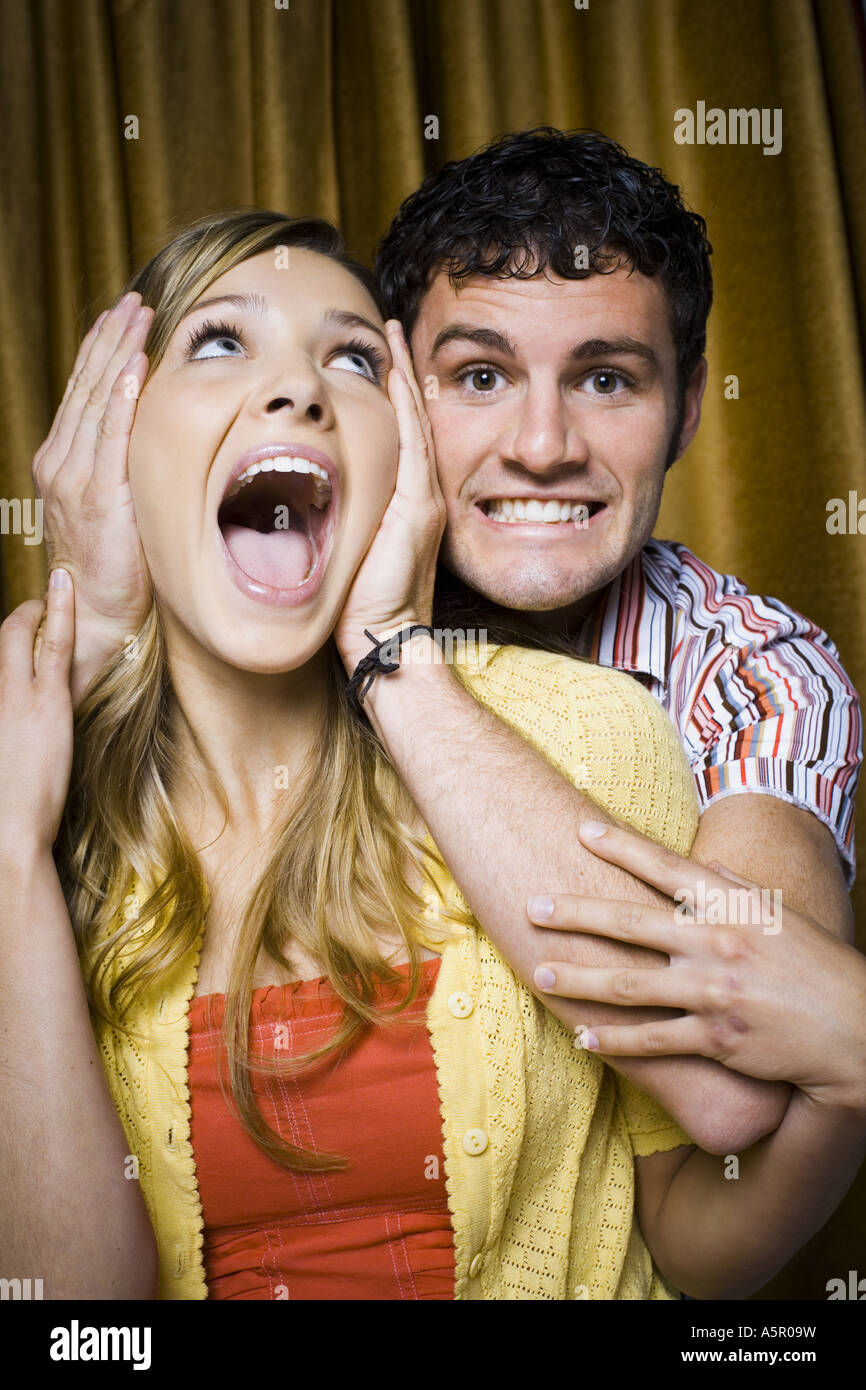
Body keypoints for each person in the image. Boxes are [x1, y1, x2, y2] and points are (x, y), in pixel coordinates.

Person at [3, 208, 725, 1301]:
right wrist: (16, 844)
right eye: (220, 341)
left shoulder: (586, 728)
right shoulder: (36, 796)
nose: (296, 390)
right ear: (116, 440)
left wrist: (391, 641)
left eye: (349, 359)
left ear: (407, 458)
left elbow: (716, 1111)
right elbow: (75, 1315)